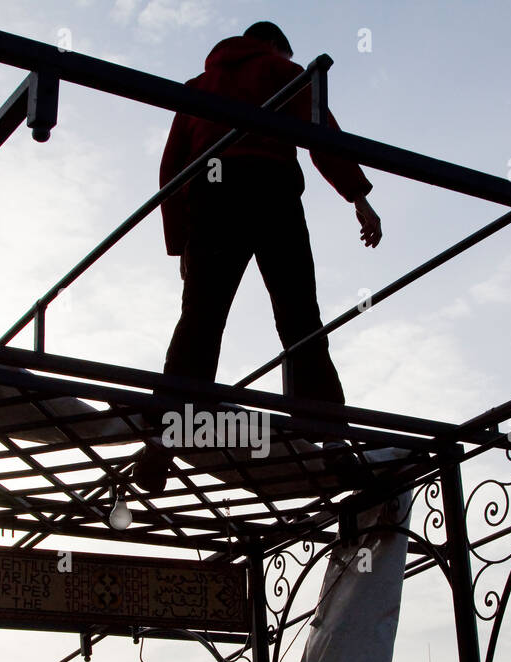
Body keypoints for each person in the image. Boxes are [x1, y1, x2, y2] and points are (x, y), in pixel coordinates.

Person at [136, 21, 382, 492]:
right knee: (299, 317)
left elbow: (172, 168)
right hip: (272, 191)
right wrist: (358, 196)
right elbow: (320, 130)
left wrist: (182, 241)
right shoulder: (279, 68)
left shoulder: (198, 87)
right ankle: (331, 438)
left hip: (214, 195)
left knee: (201, 319)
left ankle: (164, 437)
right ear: (274, 45)